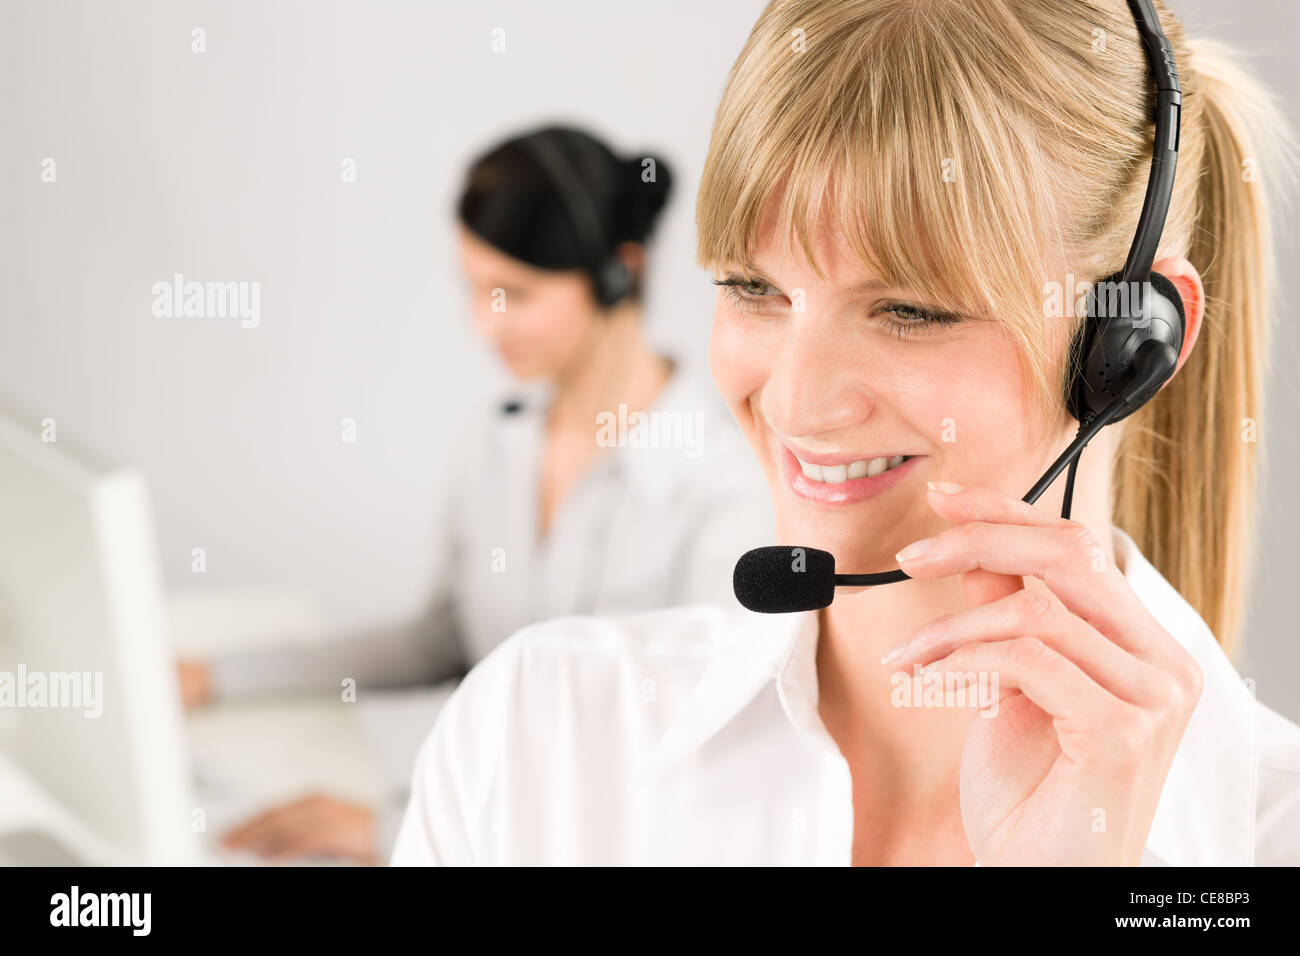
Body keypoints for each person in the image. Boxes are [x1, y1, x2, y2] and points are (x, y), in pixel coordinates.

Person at [391, 0, 1300, 866]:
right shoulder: (534, 741)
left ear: (1130, 345)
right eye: (754, 289)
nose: (796, 402)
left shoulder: (1264, 835)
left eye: (909, 309)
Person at [177, 124, 773, 864]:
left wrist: (390, 830)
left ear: (619, 274)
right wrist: (220, 676)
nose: (484, 324)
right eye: (473, 289)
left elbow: (694, 767)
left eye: (514, 294)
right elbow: (442, 640)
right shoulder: (501, 440)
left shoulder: (725, 485)